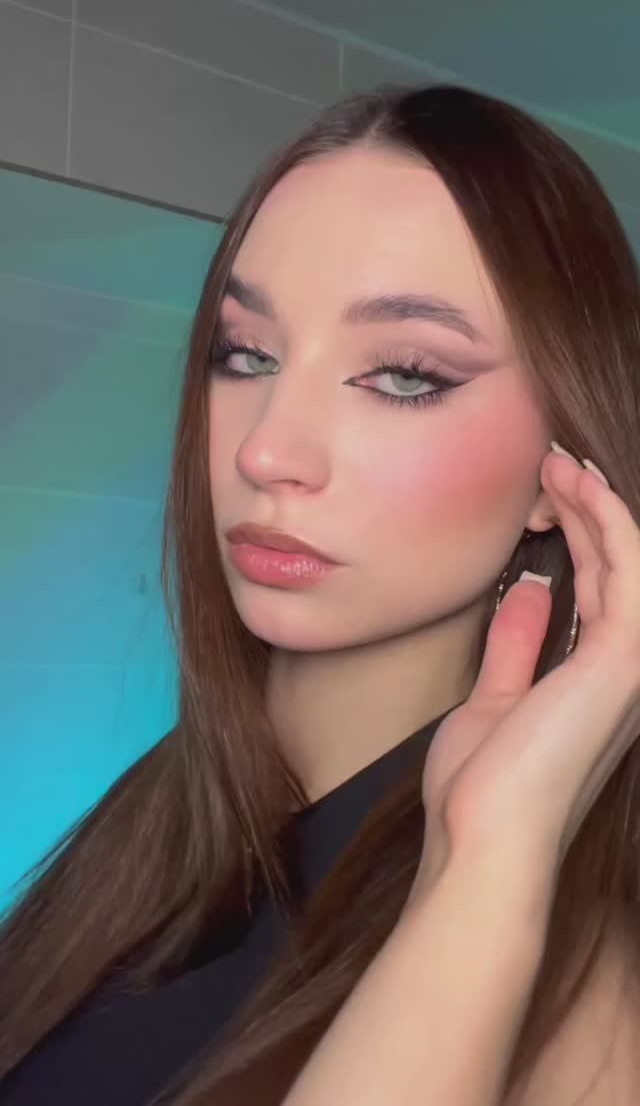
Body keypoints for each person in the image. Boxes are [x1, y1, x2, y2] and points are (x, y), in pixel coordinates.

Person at [1, 83, 640, 1106]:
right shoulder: (149, 829)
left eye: (403, 375)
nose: (266, 451)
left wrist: (487, 859)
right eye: (244, 354)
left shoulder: (589, 1012)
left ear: (560, 466)